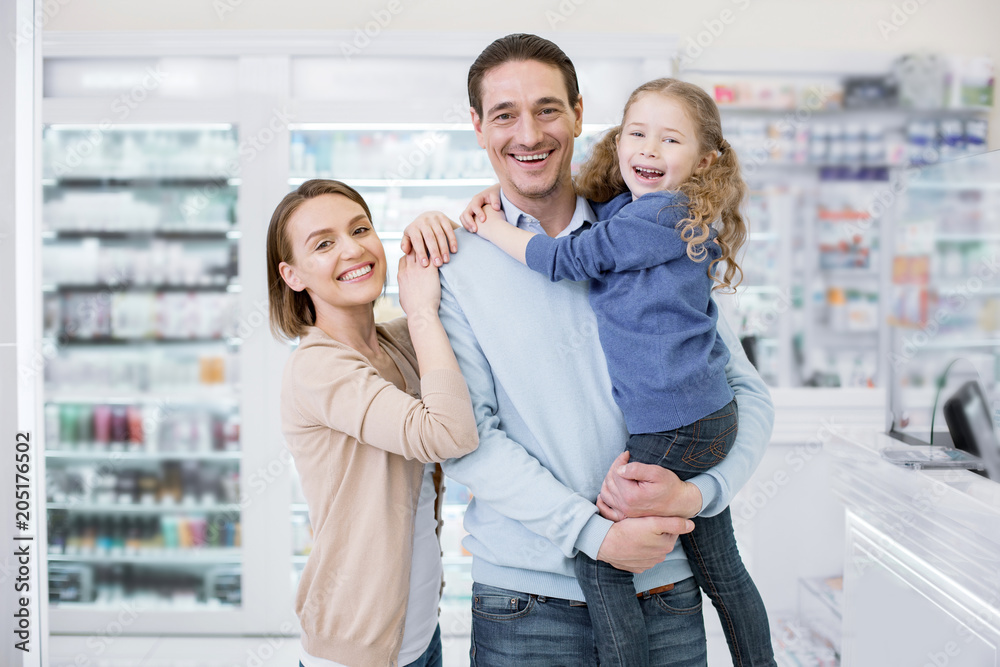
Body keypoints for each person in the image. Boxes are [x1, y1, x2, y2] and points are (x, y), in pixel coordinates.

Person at [403, 34, 774, 667]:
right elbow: (466, 438)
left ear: (578, 114)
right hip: (524, 606)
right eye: (505, 114)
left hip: (665, 591)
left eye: (547, 109)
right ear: (478, 127)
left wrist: (698, 496)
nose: (529, 133)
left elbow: (742, 394)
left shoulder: (644, 229)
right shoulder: (453, 264)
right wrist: (593, 534)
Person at [267, 179, 478, 667]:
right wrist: (421, 313)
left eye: (360, 229)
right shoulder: (317, 366)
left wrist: (439, 229)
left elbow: (476, 303)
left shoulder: (395, 343)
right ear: (292, 275)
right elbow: (448, 434)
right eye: (323, 244)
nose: (352, 249)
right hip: (355, 653)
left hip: (420, 635)